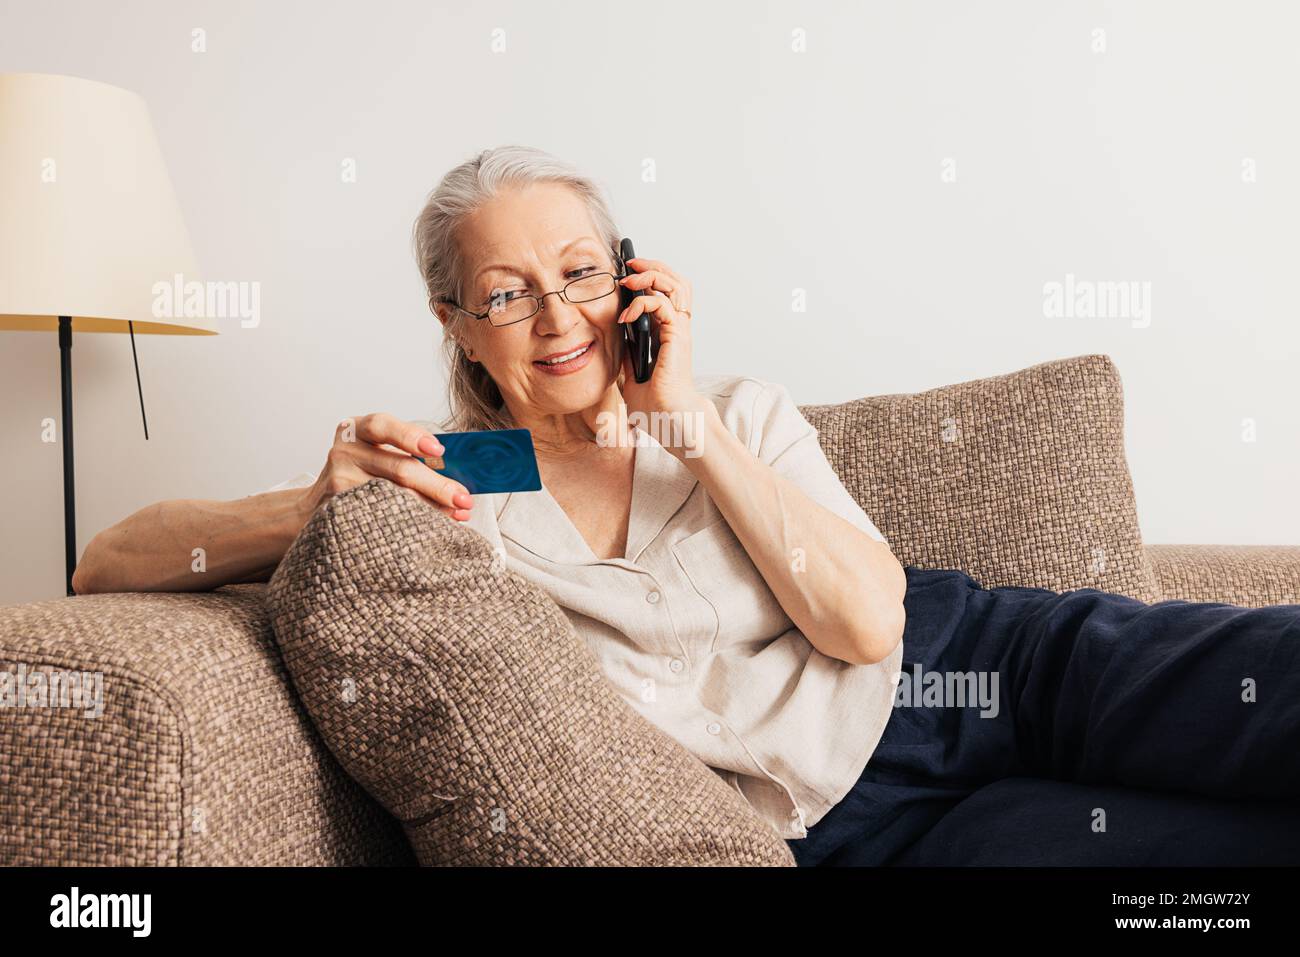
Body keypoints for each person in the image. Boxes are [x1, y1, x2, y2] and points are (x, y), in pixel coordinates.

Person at [73, 146, 1300, 865]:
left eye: (580, 275)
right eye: (505, 294)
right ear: (455, 324)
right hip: (859, 825)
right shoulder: (460, 480)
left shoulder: (730, 417)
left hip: (991, 662)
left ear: (632, 283)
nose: (555, 319)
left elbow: (872, 627)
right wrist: (312, 507)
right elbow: (106, 562)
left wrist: (688, 424)